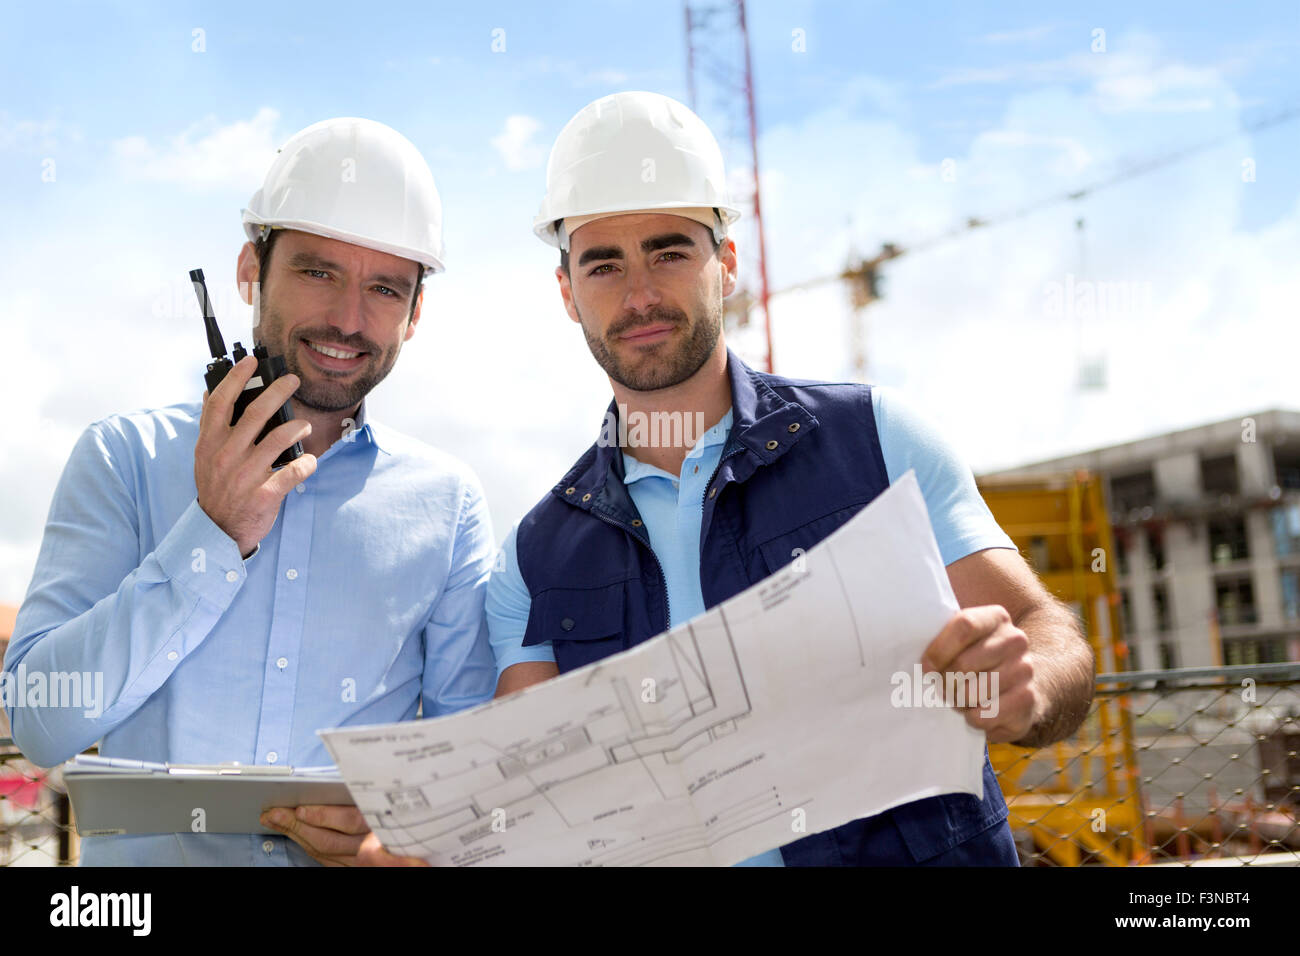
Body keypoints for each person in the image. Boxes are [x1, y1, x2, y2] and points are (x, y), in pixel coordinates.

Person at [354, 90, 1094, 867]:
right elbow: (540, 805)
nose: (639, 295)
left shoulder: (875, 442)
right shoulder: (534, 560)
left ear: (727, 263)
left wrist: (1028, 683)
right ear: (568, 293)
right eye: (604, 264)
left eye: (669, 252)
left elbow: (1049, 639)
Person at [3, 117, 497, 866]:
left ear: (416, 312)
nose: (348, 319)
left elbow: (469, 780)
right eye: (318, 272)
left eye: (385, 288)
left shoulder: (449, 506)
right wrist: (213, 530)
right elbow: (41, 724)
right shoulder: (123, 458)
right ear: (250, 271)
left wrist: (394, 841)